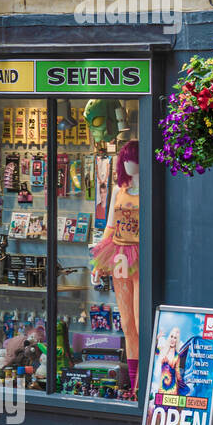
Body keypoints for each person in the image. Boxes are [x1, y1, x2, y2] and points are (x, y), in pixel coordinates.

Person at [91, 140, 140, 391]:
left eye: (133, 158)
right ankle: (134, 385)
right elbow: (109, 226)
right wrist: (98, 263)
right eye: (126, 159)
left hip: (142, 256)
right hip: (120, 255)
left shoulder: (149, 189)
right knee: (127, 322)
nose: (129, 163)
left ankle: (146, 382)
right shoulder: (119, 189)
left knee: (142, 321)